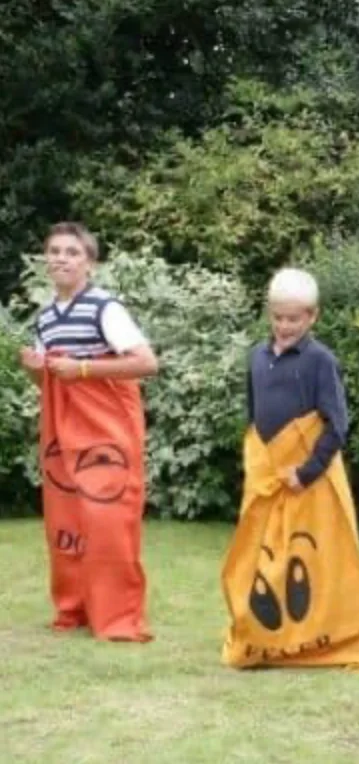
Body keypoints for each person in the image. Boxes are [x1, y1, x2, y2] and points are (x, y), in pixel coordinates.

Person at [220, 267, 359, 669]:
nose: (285, 326)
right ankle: (263, 639)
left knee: (313, 559)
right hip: (268, 477)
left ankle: (321, 639)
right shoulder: (256, 356)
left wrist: (306, 471)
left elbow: (336, 424)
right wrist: (258, 463)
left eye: (294, 319)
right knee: (261, 555)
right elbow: (254, 417)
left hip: (309, 480)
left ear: (312, 317)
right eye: (278, 317)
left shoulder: (320, 361)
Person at [19, 221, 158, 642]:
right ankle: (74, 607)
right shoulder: (46, 318)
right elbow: (55, 382)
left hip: (106, 427)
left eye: (72, 252)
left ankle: (116, 615)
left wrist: (81, 368)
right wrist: (34, 372)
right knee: (69, 520)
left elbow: (146, 363)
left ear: (90, 265)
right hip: (63, 429)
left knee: (107, 517)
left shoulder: (104, 308)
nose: (61, 257)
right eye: (55, 250)